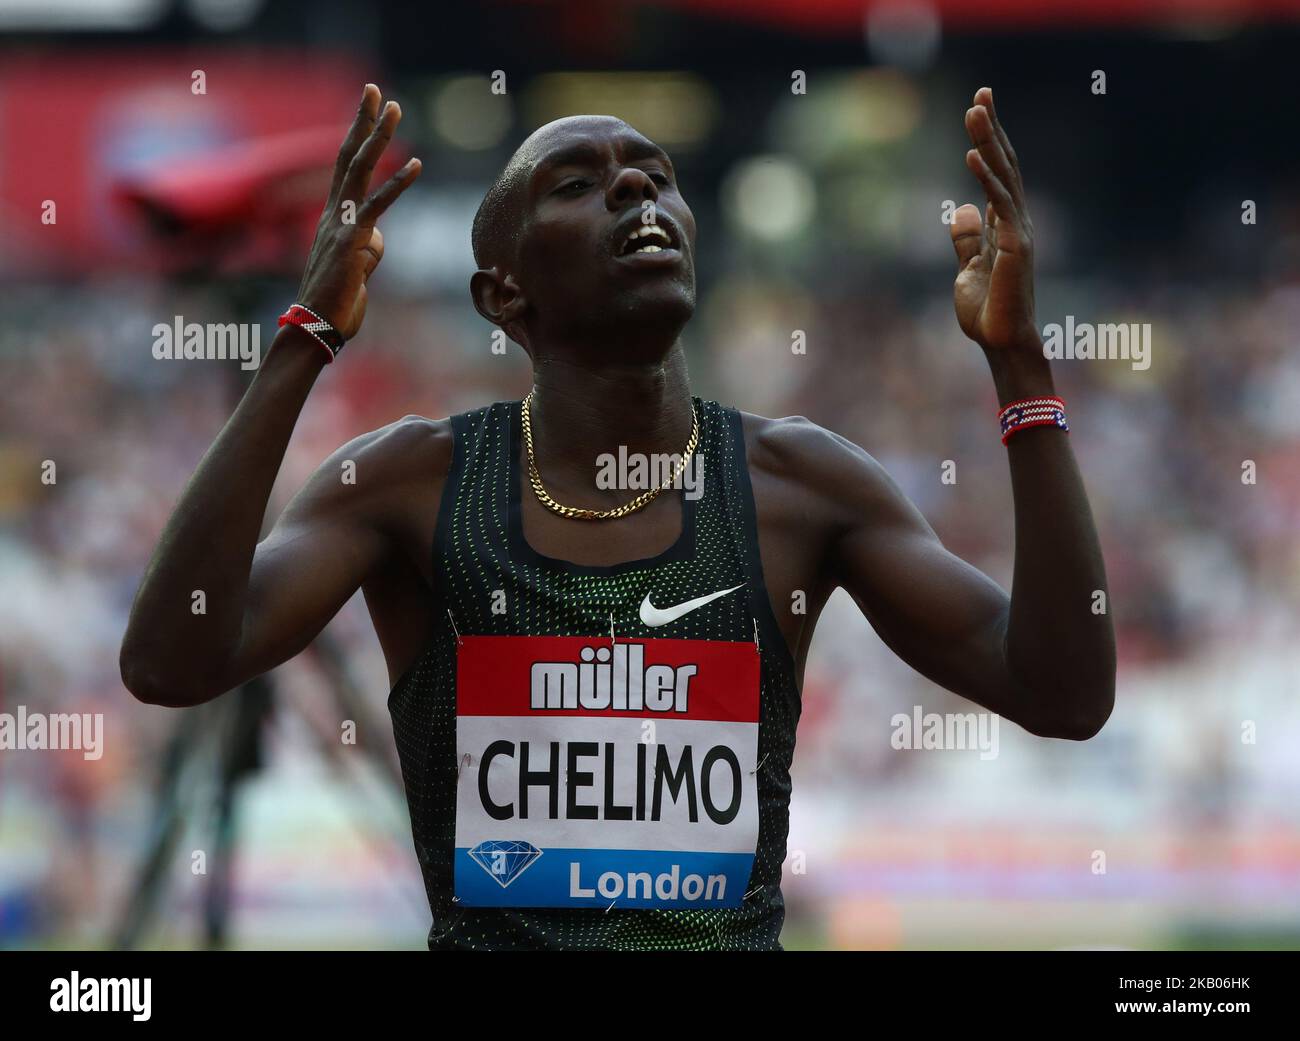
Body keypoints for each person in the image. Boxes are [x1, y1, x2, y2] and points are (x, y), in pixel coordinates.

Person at [120, 83, 1116, 950]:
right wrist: (305, 337)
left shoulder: (801, 486)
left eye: (654, 173)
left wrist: (1019, 365)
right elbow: (172, 660)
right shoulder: (408, 486)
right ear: (503, 293)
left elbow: (1062, 694)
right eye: (576, 184)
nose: (635, 189)